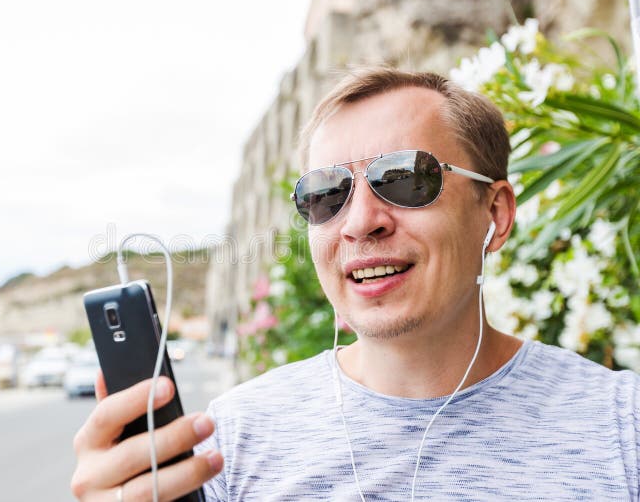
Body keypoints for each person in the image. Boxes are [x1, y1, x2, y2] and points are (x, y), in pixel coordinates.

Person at [71, 68, 640, 501]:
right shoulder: (232, 444)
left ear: (494, 214)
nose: (360, 221)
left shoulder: (621, 427)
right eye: (326, 193)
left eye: (405, 178)